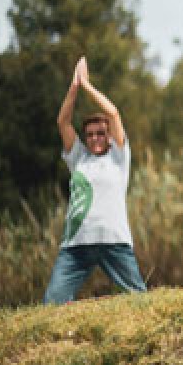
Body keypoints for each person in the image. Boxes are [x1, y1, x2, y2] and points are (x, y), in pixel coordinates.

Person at [44, 57, 147, 303]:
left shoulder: (119, 156)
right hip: (76, 245)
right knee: (51, 302)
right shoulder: (78, 157)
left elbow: (113, 112)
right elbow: (63, 122)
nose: (95, 138)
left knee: (140, 300)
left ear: (109, 135)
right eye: (90, 134)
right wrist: (74, 87)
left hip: (114, 241)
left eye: (101, 133)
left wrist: (87, 85)